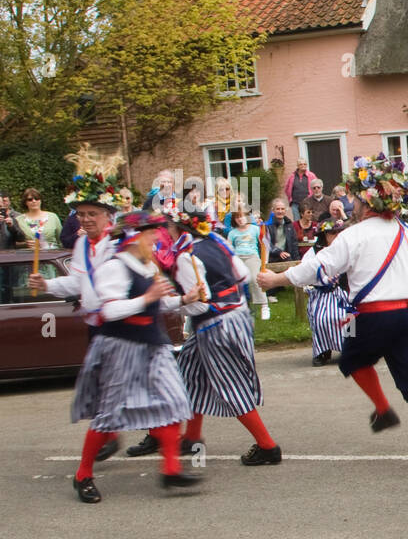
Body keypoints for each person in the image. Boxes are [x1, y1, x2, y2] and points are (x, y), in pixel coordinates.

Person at [259, 155, 408, 471]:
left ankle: (383, 408)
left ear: (367, 201)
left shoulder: (355, 234)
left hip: (373, 316)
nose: (353, 204)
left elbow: (318, 266)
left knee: (352, 358)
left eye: (356, 199)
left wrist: (276, 279)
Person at [68, 211, 202, 501]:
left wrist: (183, 299)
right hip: (121, 346)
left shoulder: (147, 265)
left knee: (175, 401)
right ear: (133, 237)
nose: (157, 238)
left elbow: (160, 302)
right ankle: (83, 475)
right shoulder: (114, 268)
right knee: (110, 414)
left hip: (155, 344)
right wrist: (148, 298)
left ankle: (170, 470)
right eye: (151, 233)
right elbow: (109, 310)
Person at [29, 169, 132, 466]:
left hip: (121, 324)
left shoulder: (120, 244)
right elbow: (76, 283)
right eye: (80, 214)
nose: (85, 219)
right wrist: (46, 285)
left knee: (128, 382)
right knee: (104, 383)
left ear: (108, 216)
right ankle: (111, 435)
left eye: (92, 214)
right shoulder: (82, 245)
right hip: (96, 326)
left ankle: (158, 437)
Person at [171, 212, 282, 465]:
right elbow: (242, 275)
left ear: (178, 229)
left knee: (231, 383)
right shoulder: (216, 241)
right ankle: (192, 437)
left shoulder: (185, 256)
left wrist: (171, 305)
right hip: (236, 315)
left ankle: (268, 446)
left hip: (215, 324)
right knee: (190, 373)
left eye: (167, 227)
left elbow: (199, 305)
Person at [301, 221, 350, 366]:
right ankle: (322, 350)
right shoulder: (314, 252)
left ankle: (350, 350)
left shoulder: (347, 250)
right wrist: (322, 280)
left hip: (344, 293)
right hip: (321, 294)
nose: (336, 236)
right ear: (325, 235)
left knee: (349, 316)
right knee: (321, 317)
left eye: (339, 233)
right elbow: (305, 271)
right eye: (332, 233)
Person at [226, 209, 269, 318]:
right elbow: (229, 248)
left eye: (242, 216)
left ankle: (264, 305)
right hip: (238, 258)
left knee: (255, 279)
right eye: (237, 217)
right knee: (236, 282)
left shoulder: (255, 229)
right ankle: (240, 307)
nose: (240, 219)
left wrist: (265, 259)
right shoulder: (232, 233)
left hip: (252, 257)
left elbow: (265, 244)